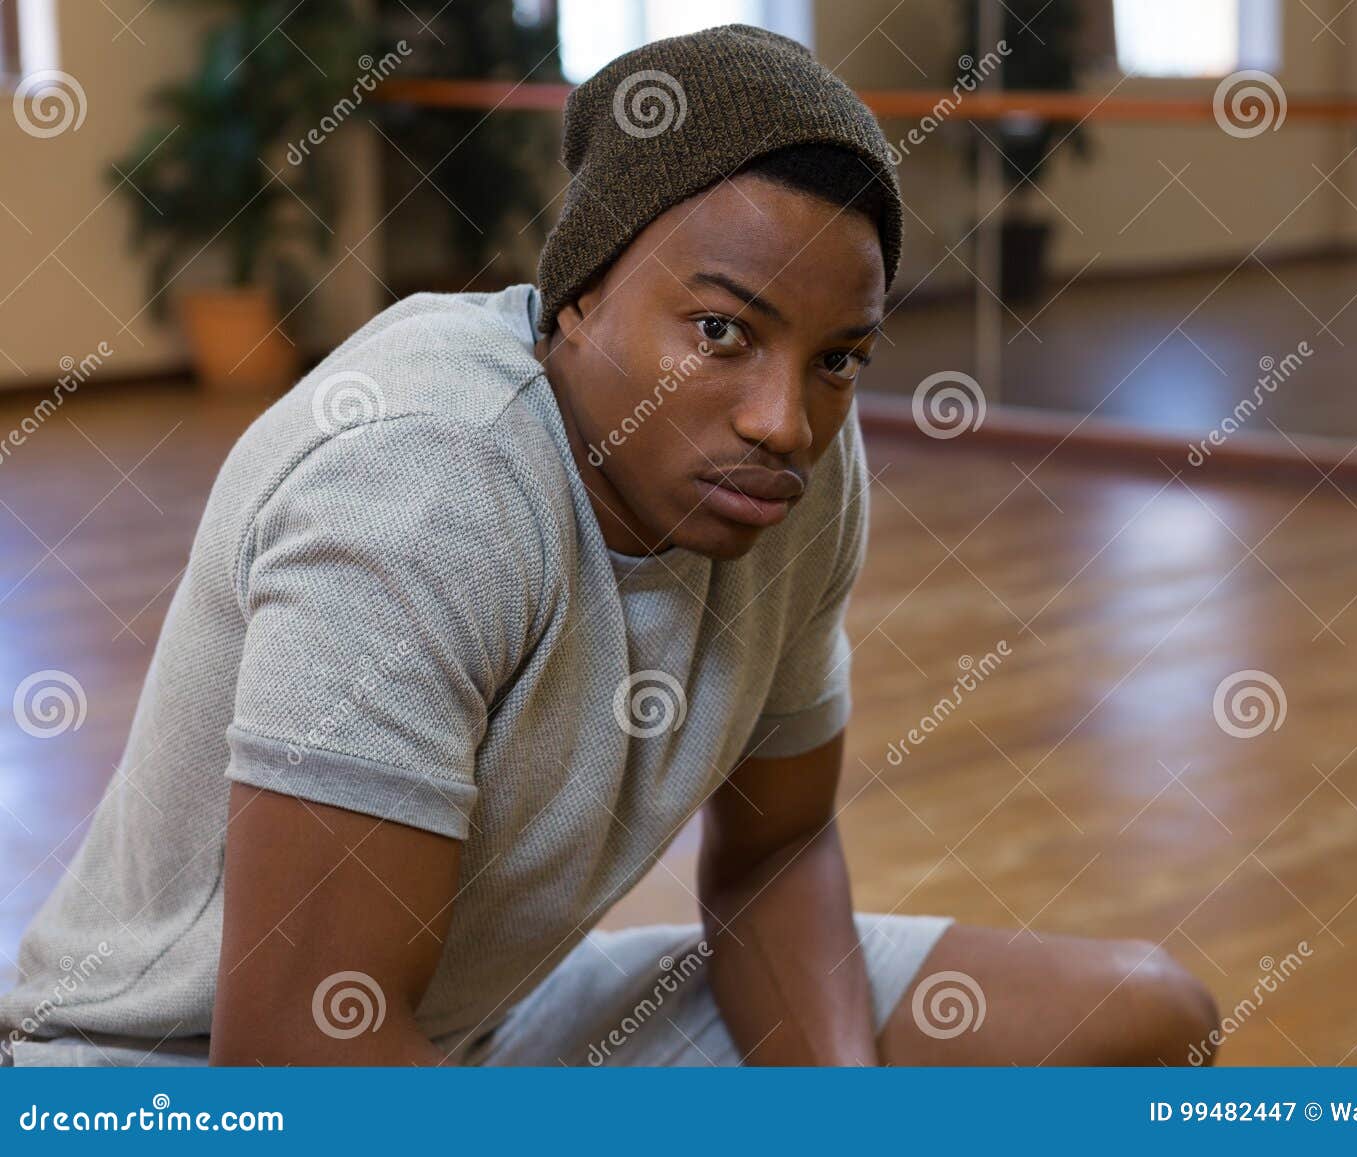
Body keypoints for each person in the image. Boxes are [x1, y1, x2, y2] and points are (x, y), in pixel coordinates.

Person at [0, 24, 1218, 1068]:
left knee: (1144, 1015)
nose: (783, 420)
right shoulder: (423, 479)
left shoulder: (795, 470)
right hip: (170, 1078)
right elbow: (304, 1058)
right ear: (578, 290)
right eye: (720, 330)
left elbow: (777, 845)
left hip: (486, 1033)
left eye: (838, 355)